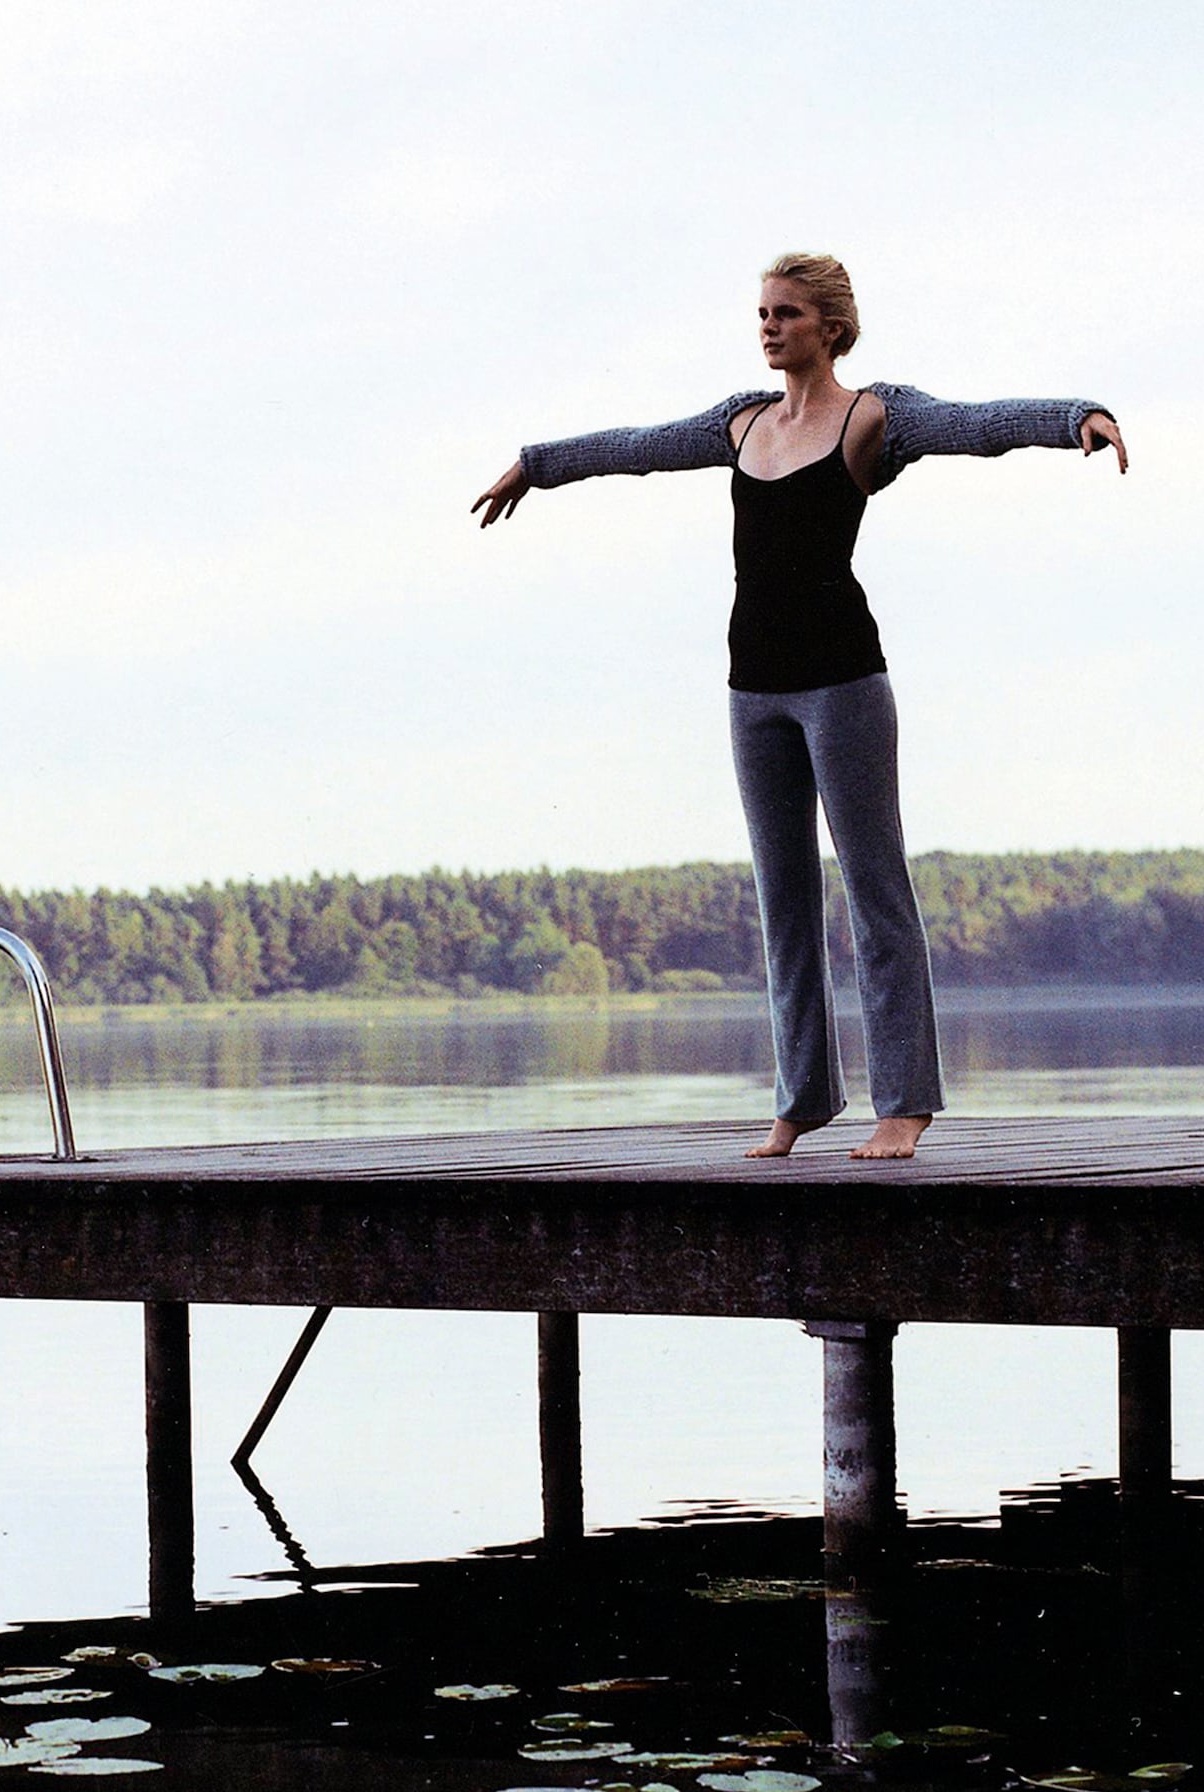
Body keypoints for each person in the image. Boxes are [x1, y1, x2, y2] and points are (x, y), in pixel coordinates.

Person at [473, 252, 1126, 1160]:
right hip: (753, 690)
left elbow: (976, 425)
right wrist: (537, 466)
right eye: (762, 313)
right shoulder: (740, 423)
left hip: (843, 682)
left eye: (786, 313)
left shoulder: (873, 417)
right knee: (783, 900)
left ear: (831, 327)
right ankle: (803, 1098)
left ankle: (902, 1106)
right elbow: (635, 447)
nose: (769, 326)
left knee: (874, 890)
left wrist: (1073, 420)